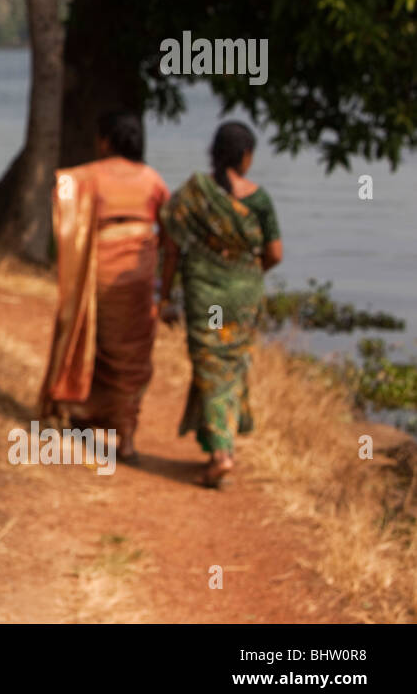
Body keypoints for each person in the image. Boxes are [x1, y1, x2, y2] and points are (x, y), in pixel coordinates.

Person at [40, 111, 170, 461]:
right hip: (139, 272)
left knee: (92, 338)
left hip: (100, 268)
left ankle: (82, 416)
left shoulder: (89, 176)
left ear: (106, 141)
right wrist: (166, 289)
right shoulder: (153, 179)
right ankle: (125, 438)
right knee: (132, 354)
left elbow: (60, 194)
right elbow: (169, 231)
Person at [159, 121, 282, 488]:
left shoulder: (195, 193)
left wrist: (163, 295)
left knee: (210, 364)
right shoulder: (259, 199)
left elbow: (171, 246)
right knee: (229, 364)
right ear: (245, 156)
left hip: (207, 294)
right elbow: (275, 253)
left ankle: (221, 453)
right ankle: (220, 442)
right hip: (243, 295)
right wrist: (247, 273)